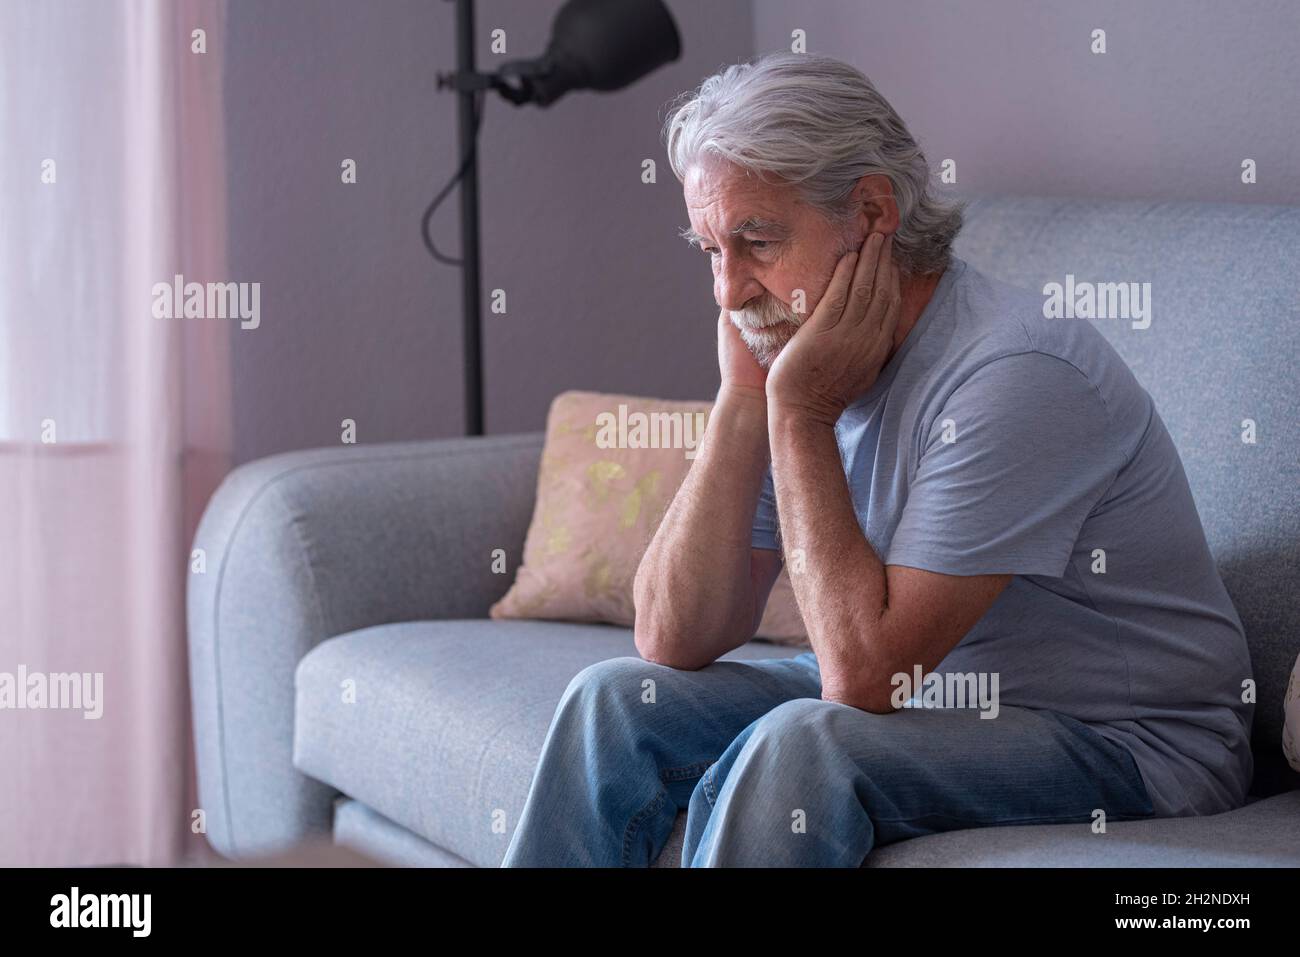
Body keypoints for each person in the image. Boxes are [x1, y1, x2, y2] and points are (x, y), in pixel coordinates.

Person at [500, 52, 1254, 868]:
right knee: (614, 702)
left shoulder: (1016, 373)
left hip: (1127, 740)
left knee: (806, 744)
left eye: (756, 240)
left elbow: (864, 682)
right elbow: (673, 635)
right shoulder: (795, 350)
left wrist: (798, 413)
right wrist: (742, 400)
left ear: (868, 212)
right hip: (940, 697)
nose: (727, 289)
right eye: (712, 249)